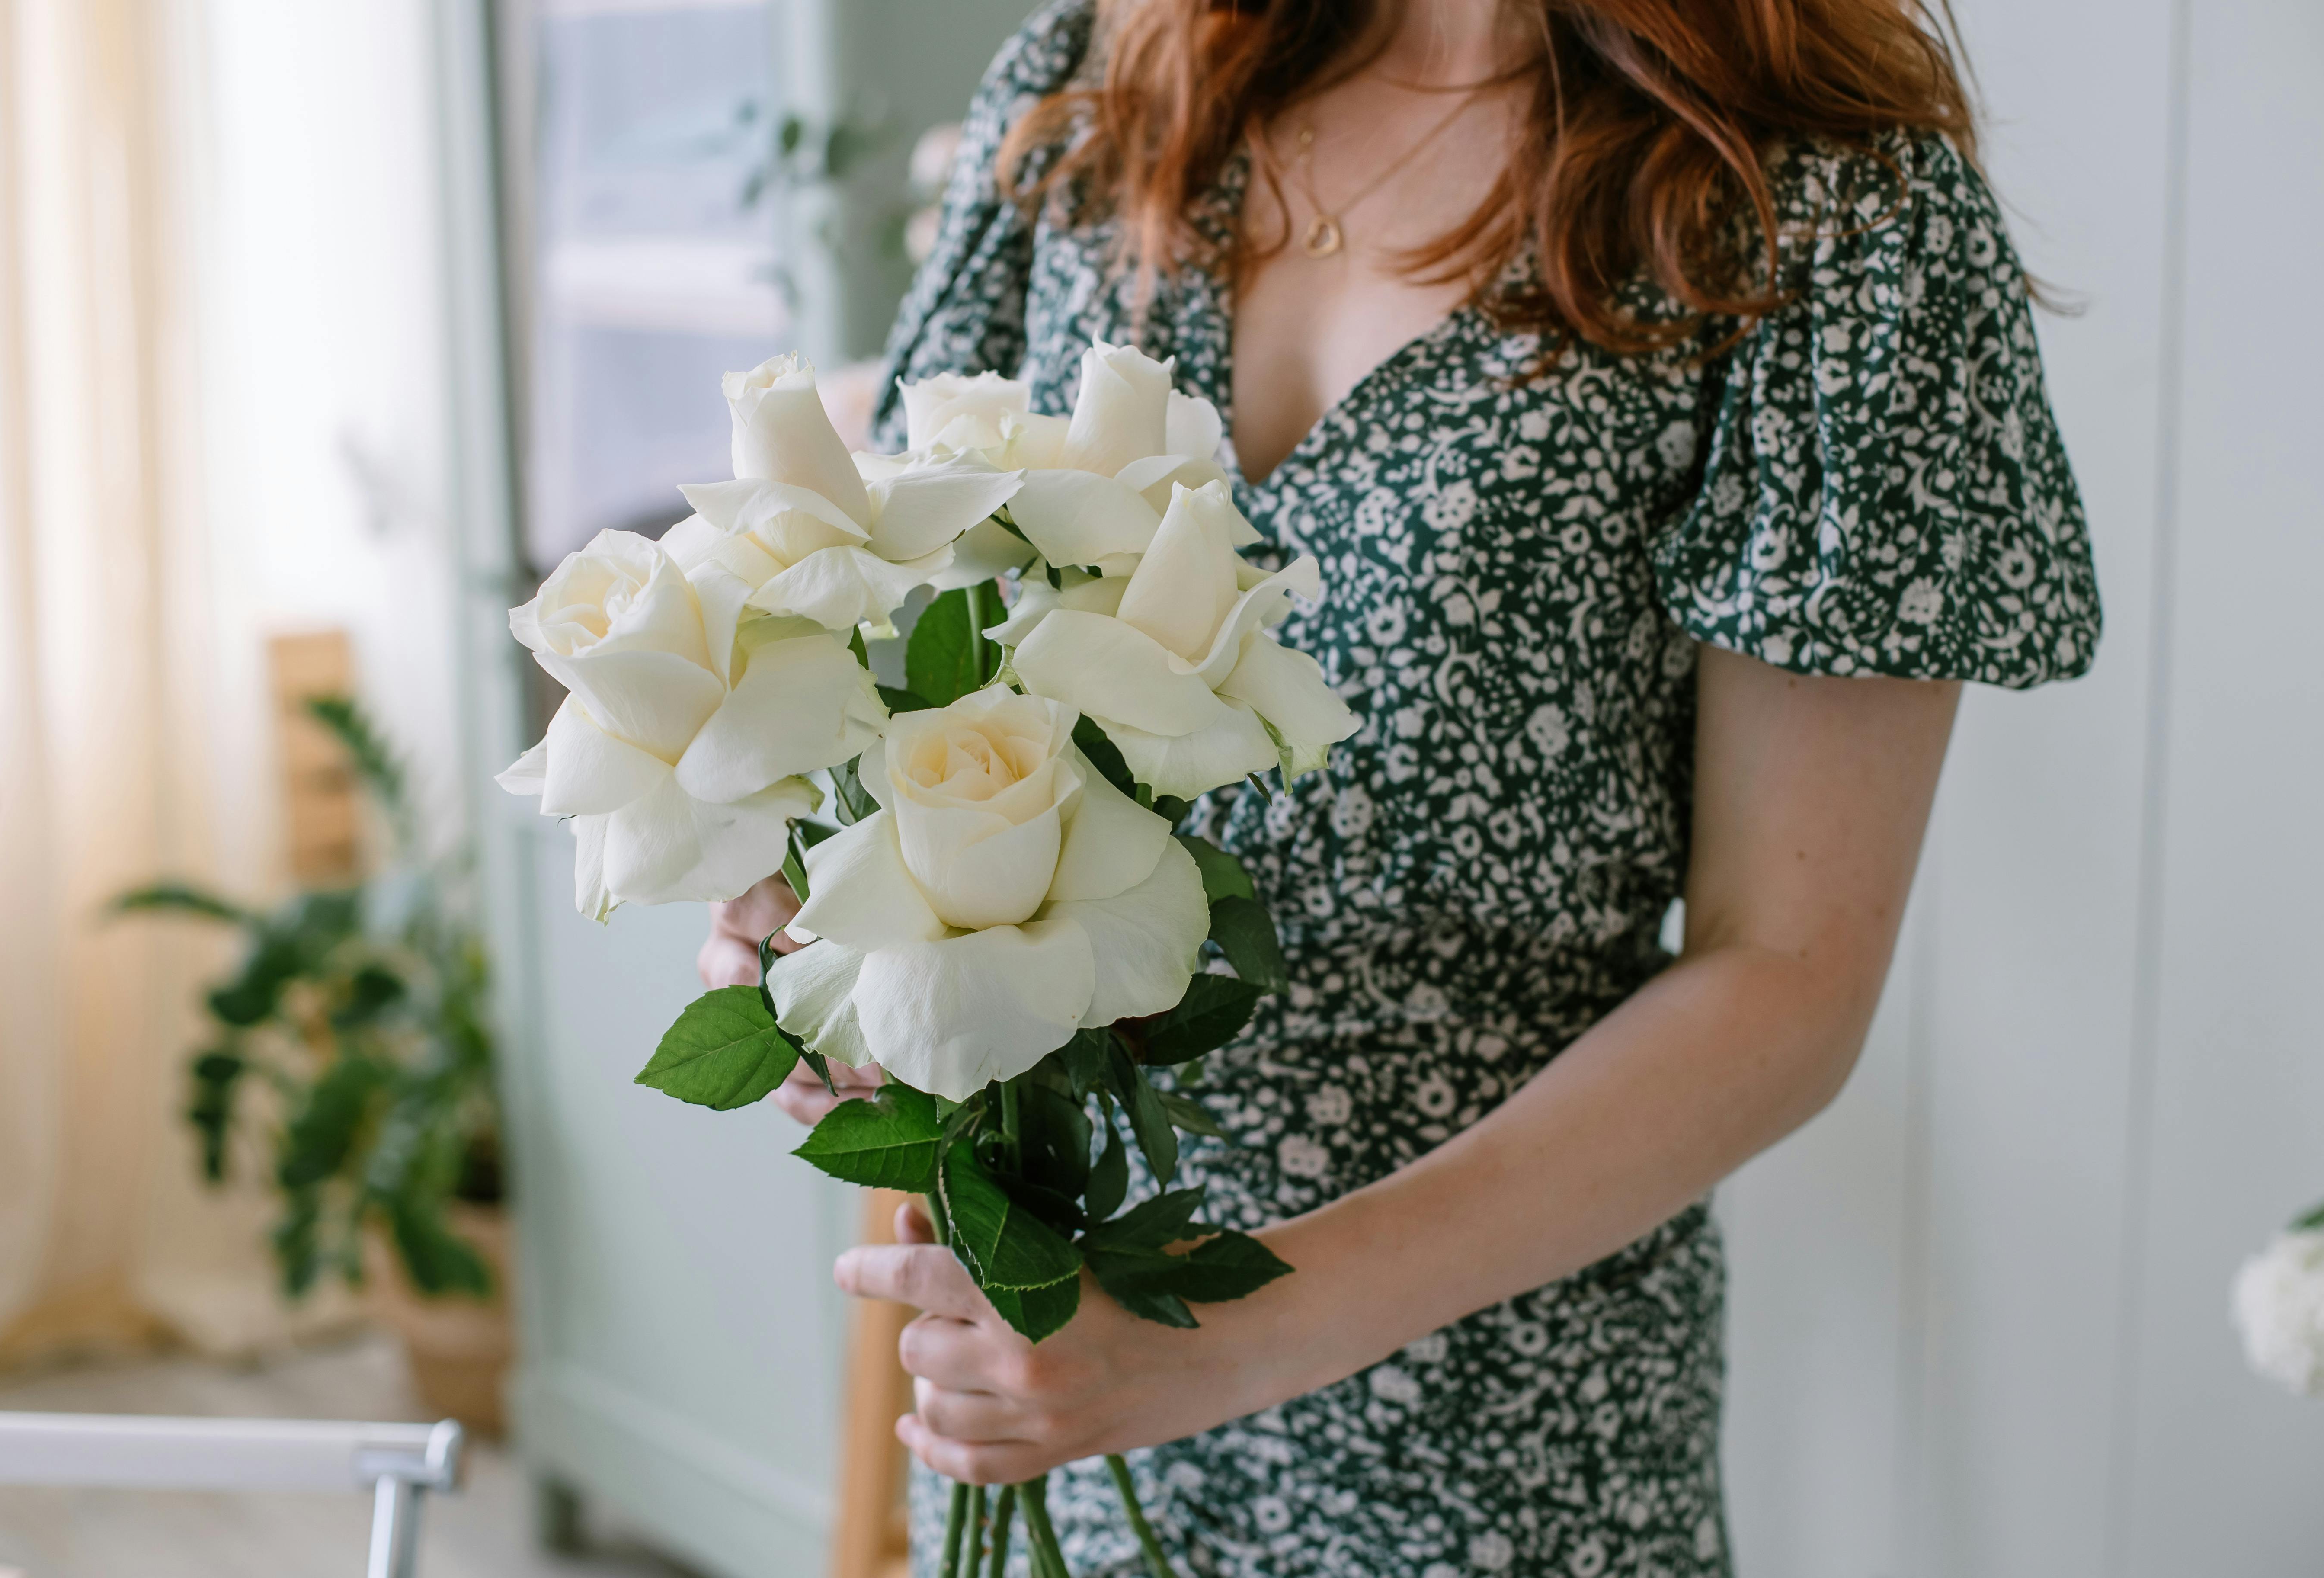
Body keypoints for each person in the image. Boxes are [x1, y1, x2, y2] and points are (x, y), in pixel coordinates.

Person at [702, 0, 2102, 1571]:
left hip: (1492, 1422)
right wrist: (829, 922)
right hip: (1055, 1356)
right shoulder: (1103, 82)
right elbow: (921, 651)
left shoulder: (1829, 200)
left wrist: (1224, 1337)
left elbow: (1788, 973)